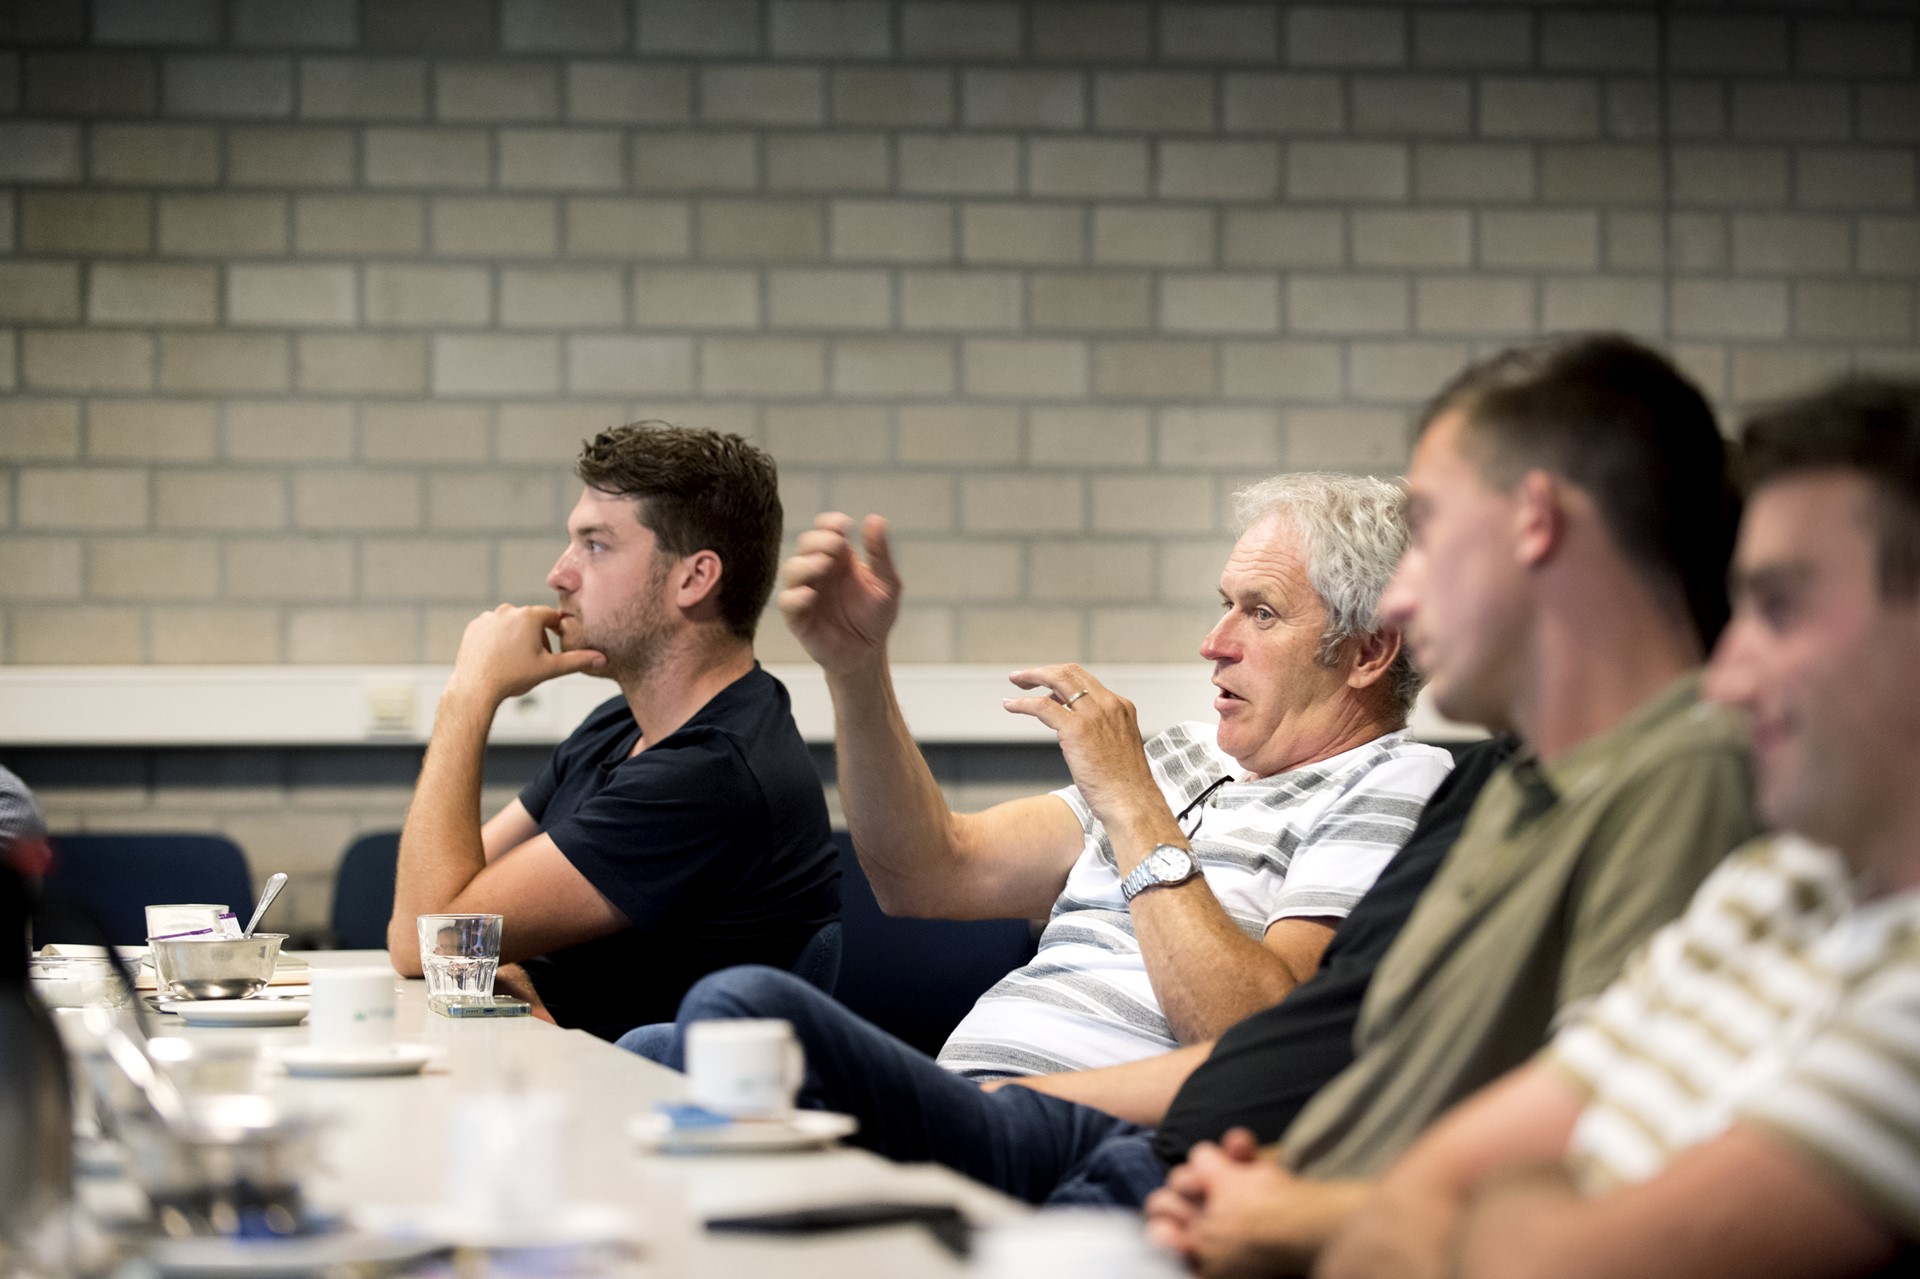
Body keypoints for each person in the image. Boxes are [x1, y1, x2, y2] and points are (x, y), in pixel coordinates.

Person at [629, 473, 1454, 1201]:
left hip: (1078, 1126)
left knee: (737, 1004)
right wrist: (856, 670)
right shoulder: (1183, 754)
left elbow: (1255, 1040)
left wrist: (1132, 801)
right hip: (969, 1102)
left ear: (1367, 652)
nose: (1215, 642)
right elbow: (923, 872)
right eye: (1224, 604)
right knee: (657, 1048)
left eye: (1261, 612)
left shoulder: (1393, 781)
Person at [1144, 334, 1761, 1273]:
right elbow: (1393, 1086)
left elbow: (1605, 1151)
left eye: (1427, 530)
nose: (1397, 594)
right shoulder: (1520, 780)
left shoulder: (1690, 771)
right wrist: (1265, 1176)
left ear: (1534, 521)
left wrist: (1300, 1209)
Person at [1317, 378, 1920, 1279]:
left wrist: (1504, 1206)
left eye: (1780, 606)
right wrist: (1521, 1210)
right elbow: (1404, 1203)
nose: (1728, 679)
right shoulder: (1769, 886)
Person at [386, 423, 838, 1041]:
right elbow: (439, 914)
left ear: (694, 578)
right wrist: (500, 965)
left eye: (594, 546)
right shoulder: (620, 725)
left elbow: (425, 932)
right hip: (555, 1078)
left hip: (634, 1115)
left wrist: (469, 696)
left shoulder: (711, 773)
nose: (559, 574)